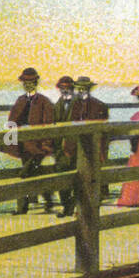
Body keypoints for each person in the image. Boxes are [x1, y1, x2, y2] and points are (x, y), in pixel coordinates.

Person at [2, 67, 57, 214]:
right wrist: (10, 141)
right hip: (22, 145)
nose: (28, 84)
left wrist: (45, 146)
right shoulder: (20, 100)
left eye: (31, 81)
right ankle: (48, 200)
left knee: (25, 174)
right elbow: (12, 121)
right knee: (34, 174)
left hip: (38, 147)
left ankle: (22, 208)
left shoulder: (44, 101)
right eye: (25, 82)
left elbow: (49, 125)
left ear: (36, 82)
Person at [59, 75, 110, 216]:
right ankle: (69, 207)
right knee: (71, 176)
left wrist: (101, 151)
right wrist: (67, 145)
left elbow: (102, 130)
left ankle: (82, 209)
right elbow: (70, 125)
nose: (81, 91)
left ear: (89, 89)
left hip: (91, 147)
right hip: (75, 145)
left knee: (88, 178)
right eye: (79, 88)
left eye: (84, 88)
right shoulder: (74, 105)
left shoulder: (99, 105)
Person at [50, 76, 76, 215]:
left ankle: (72, 206)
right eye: (62, 88)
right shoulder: (57, 104)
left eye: (67, 88)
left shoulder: (79, 104)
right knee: (61, 178)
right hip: (60, 147)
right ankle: (66, 206)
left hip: (75, 147)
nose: (65, 91)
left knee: (77, 179)